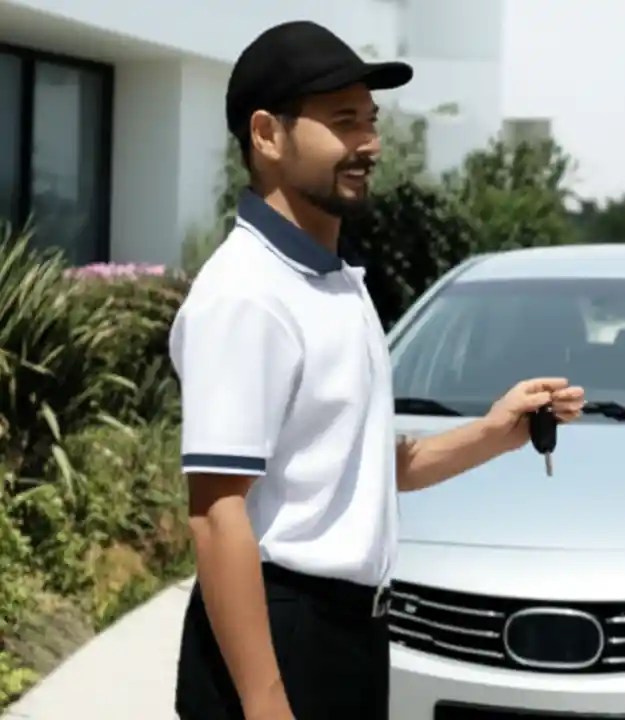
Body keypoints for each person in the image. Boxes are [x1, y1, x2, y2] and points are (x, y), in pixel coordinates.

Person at [169, 20, 585, 720]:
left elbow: (357, 471)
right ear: (267, 135)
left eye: (370, 120)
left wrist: (495, 431)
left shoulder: (335, 282)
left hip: (350, 639)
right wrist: (268, 704)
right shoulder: (245, 294)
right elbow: (216, 514)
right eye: (343, 122)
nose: (369, 144)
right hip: (279, 644)